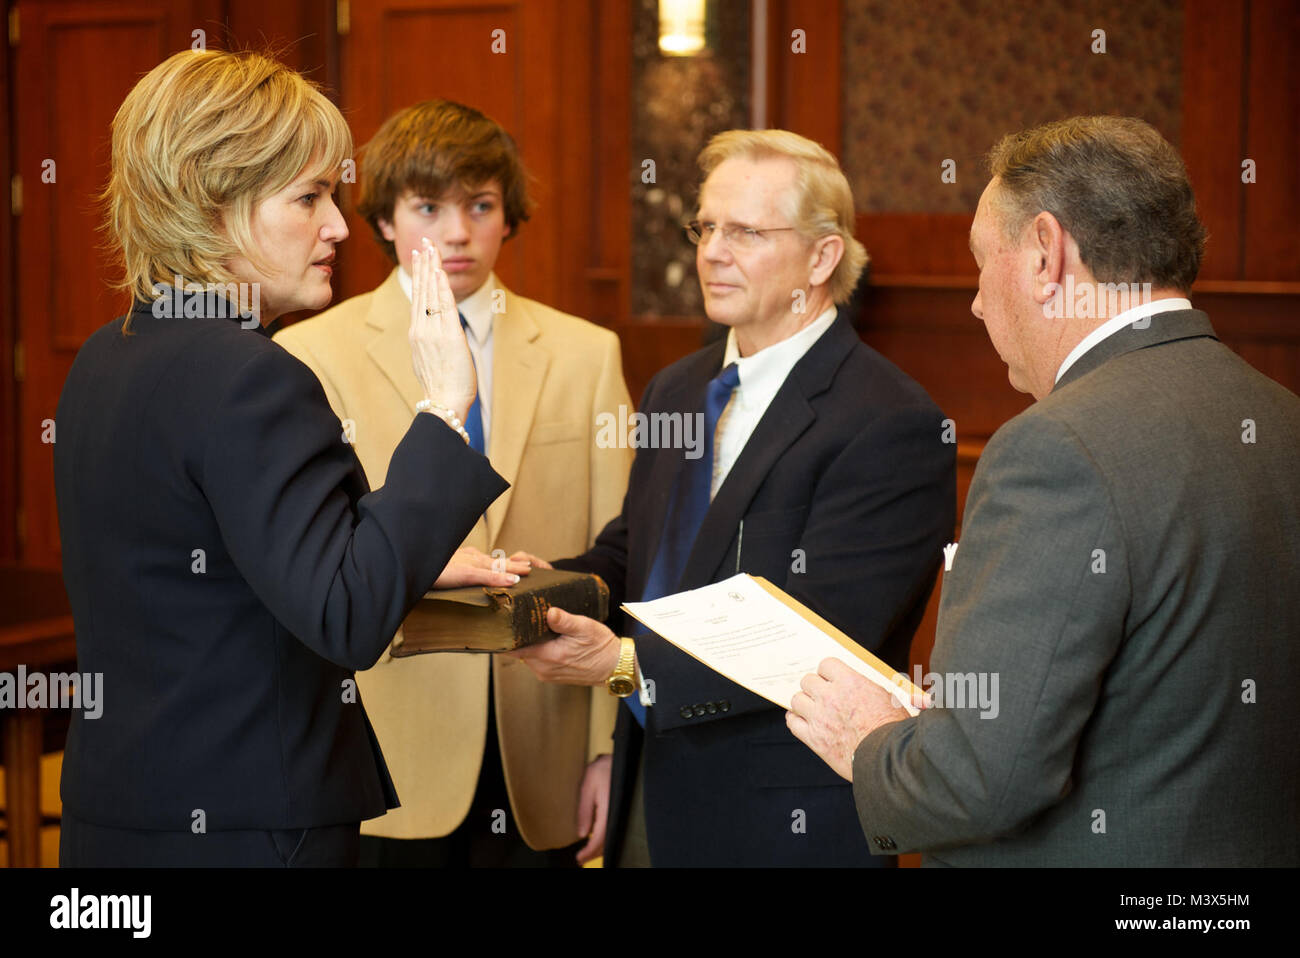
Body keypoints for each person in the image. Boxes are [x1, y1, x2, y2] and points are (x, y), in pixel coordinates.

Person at [788, 115, 1300, 866]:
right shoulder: (1281, 416)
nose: (975, 302)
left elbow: (976, 780)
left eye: (979, 262)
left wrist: (873, 740)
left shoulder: (1055, 448)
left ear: (1044, 253)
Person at [53, 50, 514, 867]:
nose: (337, 225)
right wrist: (446, 407)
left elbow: (224, 562)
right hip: (251, 829)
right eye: (309, 198)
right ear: (213, 207)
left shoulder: (105, 354)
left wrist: (407, 558)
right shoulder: (251, 375)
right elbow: (346, 617)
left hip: (120, 818)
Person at [512, 129, 956, 866]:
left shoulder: (892, 420)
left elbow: (817, 636)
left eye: (745, 231)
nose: (713, 252)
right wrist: (534, 589)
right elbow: (638, 554)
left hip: (781, 818)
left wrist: (623, 664)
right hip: (649, 784)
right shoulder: (677, 387)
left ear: (823, 257)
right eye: (706, 227)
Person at [274, 99, 632, 867]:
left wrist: (609, 747)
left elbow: (621, 563)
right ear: (384, 219)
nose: (459, 233)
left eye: (481, 205)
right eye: (429, 207)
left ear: (509, 216)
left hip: (545, 735)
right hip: (388, 741)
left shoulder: (587, 353)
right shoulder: (311, 353)